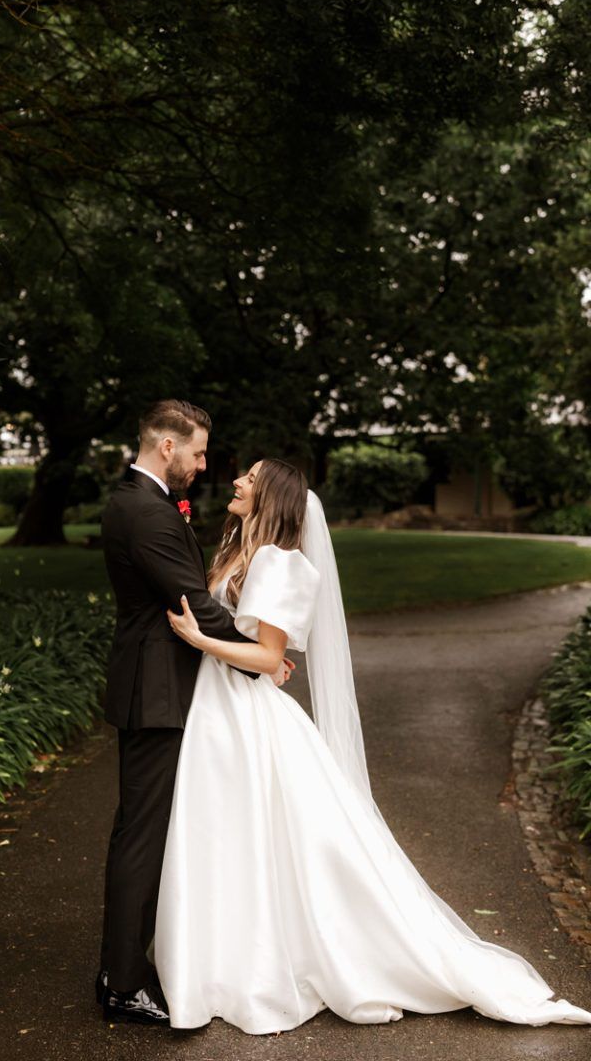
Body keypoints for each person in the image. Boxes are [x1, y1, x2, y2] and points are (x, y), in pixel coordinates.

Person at [155, 458, 591, 1034]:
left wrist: (199, 638)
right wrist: (227, 641)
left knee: (275, 837)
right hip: (219, 708)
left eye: (251, 479)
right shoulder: (240, 550)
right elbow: (255, 642)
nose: (236, 481)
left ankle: (282, 961)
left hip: (242, 712)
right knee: (232, 833)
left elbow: (265, 658)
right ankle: (223, 951)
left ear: (273, 497)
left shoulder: (280, 562)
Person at [98, 402, 291, 1026]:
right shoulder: (145, 512)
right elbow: (193, 607)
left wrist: (253, 654)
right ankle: (122, 983)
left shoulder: (144, 502)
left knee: (151, 832)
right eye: (199, 453)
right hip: (157, 692)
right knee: (141, 838)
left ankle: (134, 963)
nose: (205, 465)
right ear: (166, 448)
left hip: (163, 686)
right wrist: (258, 658)